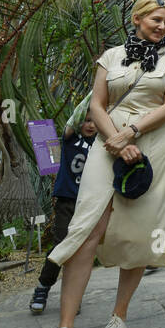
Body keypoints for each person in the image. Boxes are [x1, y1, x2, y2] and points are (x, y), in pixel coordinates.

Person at [36, 0, 165, 328]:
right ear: (137, 19)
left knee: (138, 229)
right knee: (87, 228)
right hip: (109, 144)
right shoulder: (110, 57)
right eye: (156, 19)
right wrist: (117, 142)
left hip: (152, 144)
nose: (162, 27)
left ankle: (118, 317)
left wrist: (132, 132)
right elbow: (96, 106)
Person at [29, 116, 97, 314]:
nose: (90, 125)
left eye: (94, 121)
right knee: (61, 244)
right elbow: (73, 121)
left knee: (81, 251)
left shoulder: (100, 143)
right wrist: (96, 91)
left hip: (89, 202)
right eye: (86, 120)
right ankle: (42, 287)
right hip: (67, 200)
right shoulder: (70, 137)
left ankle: (73, 295)